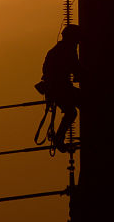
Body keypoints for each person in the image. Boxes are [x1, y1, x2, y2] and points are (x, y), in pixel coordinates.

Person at [35, 24, 81, 152]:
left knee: (72, 111)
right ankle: (59, 138)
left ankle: (59, 138)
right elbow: (77, 69)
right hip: (59, 88)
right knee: (78, 107)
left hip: (55, 89)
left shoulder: (56, 50)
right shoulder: (67, 50)